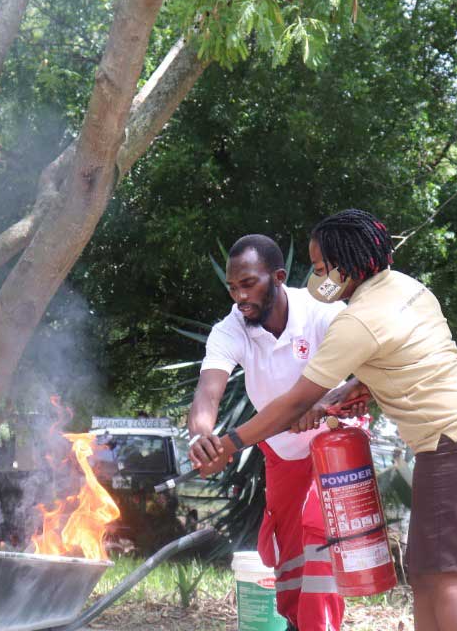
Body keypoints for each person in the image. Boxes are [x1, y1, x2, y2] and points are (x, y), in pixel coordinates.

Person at [191, 210, 457, 631]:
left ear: (345, 265)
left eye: (322, 267)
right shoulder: (408, 288)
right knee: (426, 573)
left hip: (452, 440)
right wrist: (354, 388)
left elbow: (295, 403)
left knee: (446, 577)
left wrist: (230, 443)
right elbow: (407, 357)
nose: (319, 278)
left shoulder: (352, 320)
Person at [188, 234, 365, 631]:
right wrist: (201, 438)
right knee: (291, 562)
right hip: (281, 452)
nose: (240, 297)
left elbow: (368, 367)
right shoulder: (231, 329)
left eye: (248, 284)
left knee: (319, 533)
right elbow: (208, 392)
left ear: (279, 277)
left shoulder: (322, 311)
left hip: (334, 442)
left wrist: (338, 398)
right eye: (233, 288)